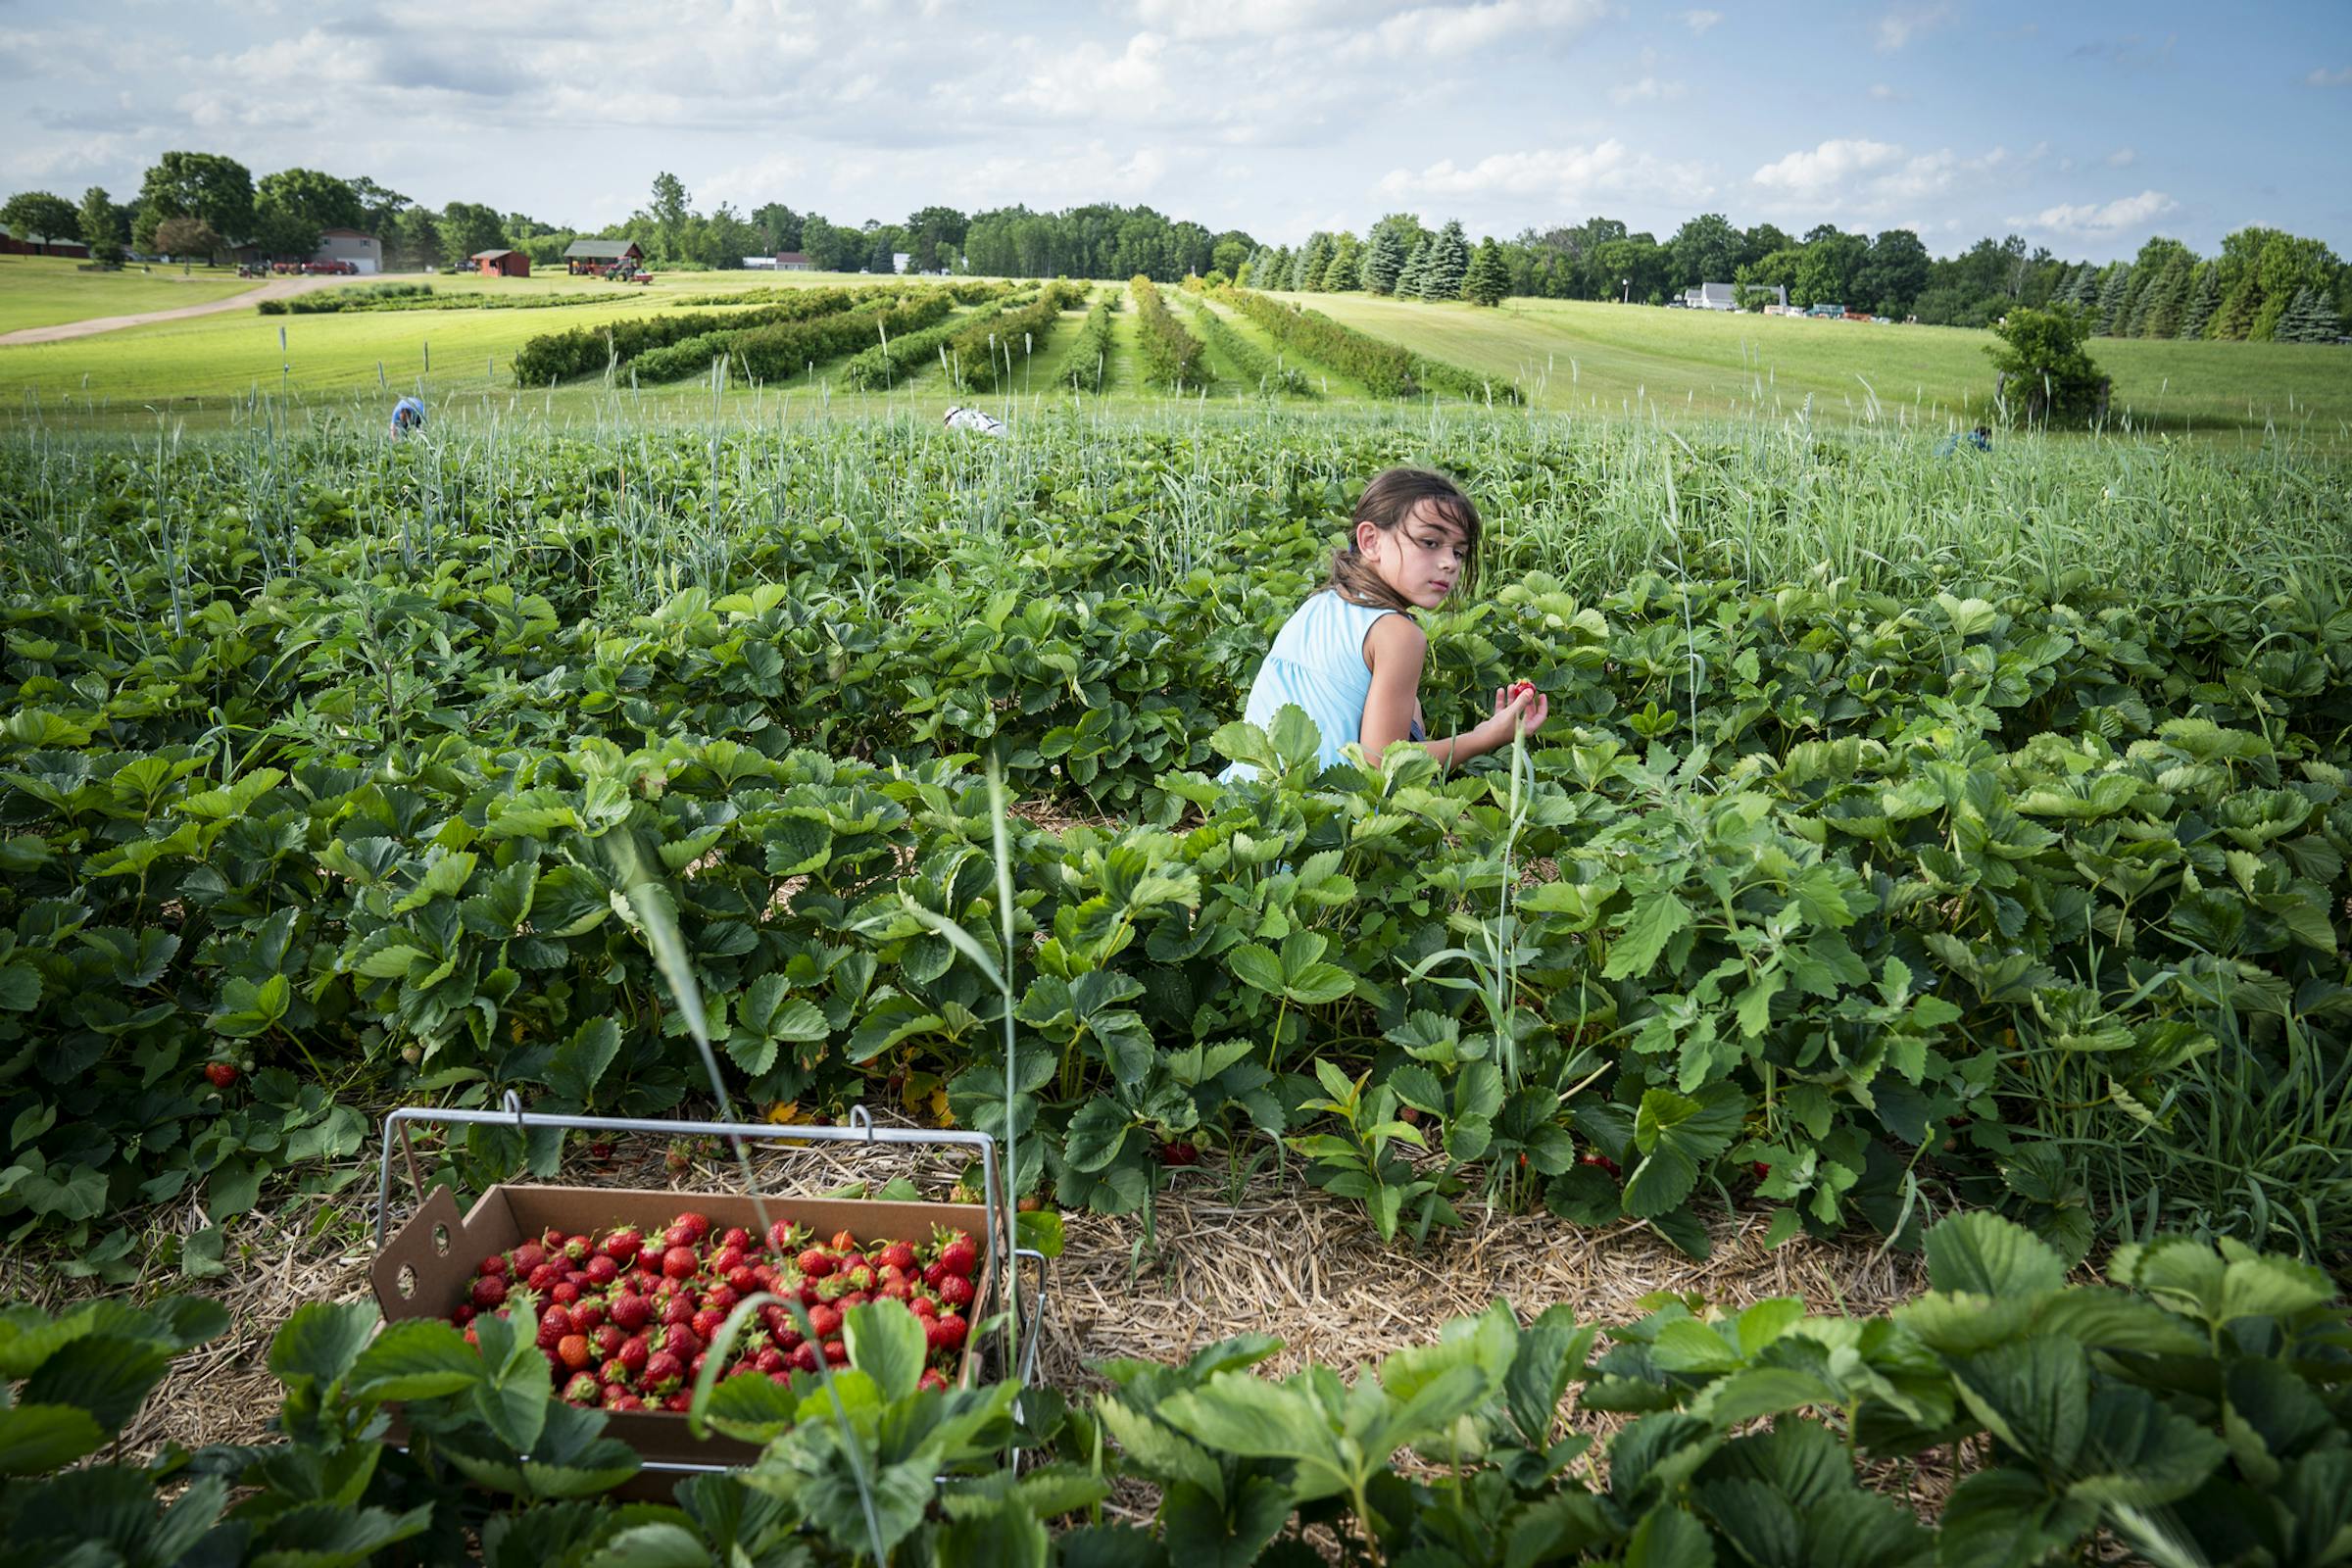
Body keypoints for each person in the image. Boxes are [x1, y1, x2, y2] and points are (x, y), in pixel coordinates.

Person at [1222, 467, 1546, 781]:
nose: (1449, 563)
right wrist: (1485, 736)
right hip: (1327, 806)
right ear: (1371, 540)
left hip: (1251, 794)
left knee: (1411, 705)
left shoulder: (1320, 603)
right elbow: (1382, 766)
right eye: (1430, 542)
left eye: (1459, 552)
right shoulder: (1398, 634)